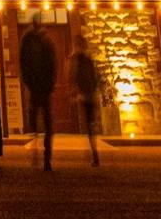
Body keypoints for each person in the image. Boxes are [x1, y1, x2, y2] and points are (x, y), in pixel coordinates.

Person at [18, 18, 59, 169]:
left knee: (34, 123)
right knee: (47, 125)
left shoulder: (27, 40)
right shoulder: (45, 41)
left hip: (35, 87)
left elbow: (23, 63)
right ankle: (46, 158)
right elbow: (52, 63)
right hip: (43, 88)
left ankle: (36, 155)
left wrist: (27, 82)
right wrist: (51, 84)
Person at [69, 34, 102, 165]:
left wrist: (78, 93)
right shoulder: (87, 60)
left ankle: (94, 153)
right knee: (89, 124)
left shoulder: (79, 60)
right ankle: (93, 152)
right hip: (88, 94)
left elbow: (77, 77)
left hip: (85, 95)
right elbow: (93, 78)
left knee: (89, 124)